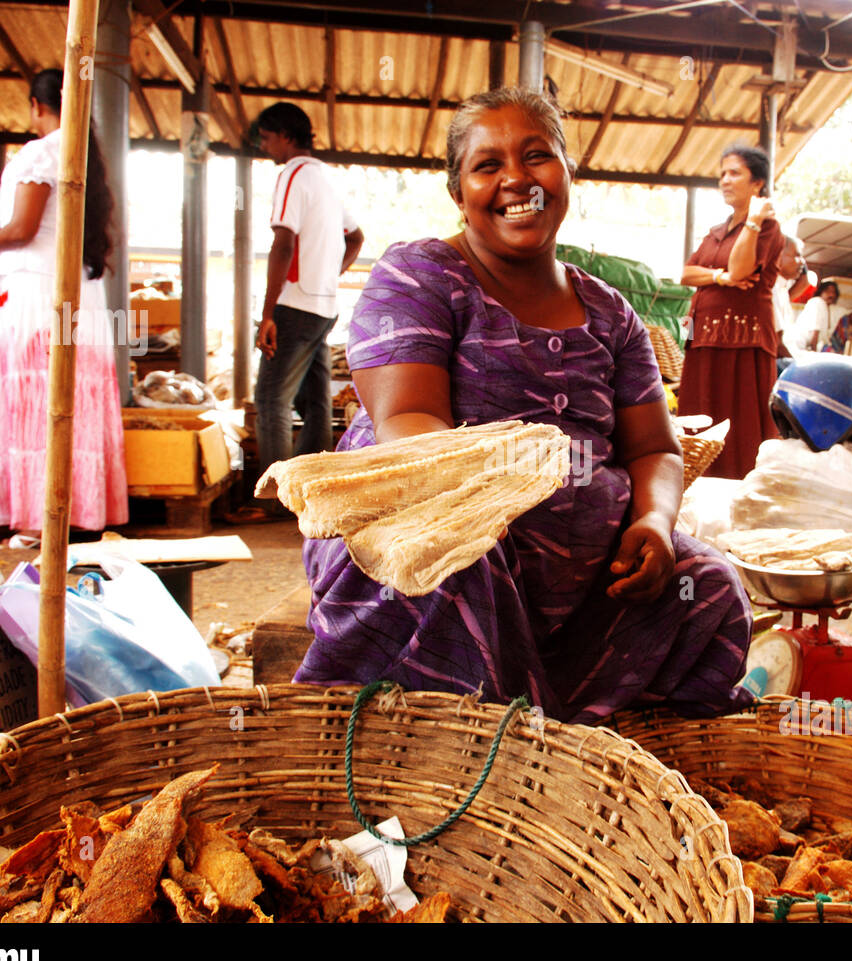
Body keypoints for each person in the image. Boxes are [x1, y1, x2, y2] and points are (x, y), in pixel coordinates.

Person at [294, 87, 753, 724]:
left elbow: (654, 447)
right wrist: (490, 508)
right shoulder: (420, 276)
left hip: (589, 570)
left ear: (568, 173)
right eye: (487, 166)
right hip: (435, 530)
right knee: (453, 559)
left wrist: (651, 522)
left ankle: (608, 748)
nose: (516, 179)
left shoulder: (610, 313)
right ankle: (476, 752)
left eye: (537, 157)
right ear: (458, 192)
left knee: (708, 587)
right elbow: (408, 428)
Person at [0, 69, 127, 533]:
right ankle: (82, 511)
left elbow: (21, 229)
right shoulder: (88, 155)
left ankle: (40, 519)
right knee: (75, 399)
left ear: (37, 105)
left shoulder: (40, 153)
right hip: (79, 292)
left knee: (40, 401)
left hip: (38, 294)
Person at [251, 102, 363, 491]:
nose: (265, 147)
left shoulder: (292, 175)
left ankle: (274, 497)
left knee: (270, 399)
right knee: (316, 403)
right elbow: (356, 237)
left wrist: (267, 313)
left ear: (285, 135)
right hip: (323, 308)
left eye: (266, 138)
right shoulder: (326, 179)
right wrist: (329, 273)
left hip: (295, 304)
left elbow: (283, 242)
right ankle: (314, 490)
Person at [677, 143, 784, 478]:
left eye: (734, 173)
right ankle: (695, 482)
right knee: (700, 414)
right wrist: (720, 277)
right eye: (722, 173)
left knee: (739, 423)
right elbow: (686, 273)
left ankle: (738, 491)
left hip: (743, 341)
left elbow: (741, 269)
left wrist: (752, 220)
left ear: (757, 183)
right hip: (704, 337)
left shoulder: (767, 228)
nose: (724, 180)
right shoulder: (716, 232)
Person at [792, 280, 839, 354]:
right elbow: (815, 331)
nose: (831, 295)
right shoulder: (818, 302)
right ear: (821, 292)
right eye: (828, 291)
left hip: (805, 346)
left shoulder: (826, 307)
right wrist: (814, 355)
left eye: (833, 292)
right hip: (798, 344)